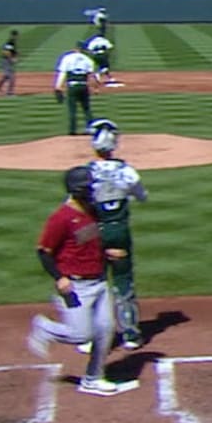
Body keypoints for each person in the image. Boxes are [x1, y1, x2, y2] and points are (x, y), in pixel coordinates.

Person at [25, 166, 140, 397]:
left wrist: (108, 253)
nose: (93, 190)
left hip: (98, 282)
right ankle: (44, 328)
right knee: (81, 335)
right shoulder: (61, 218)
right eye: (88, 187)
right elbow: (44, 251)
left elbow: (87, 244)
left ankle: (92, 379)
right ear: (77, 190)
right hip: (76, 286)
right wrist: (59, 278)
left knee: (105, 331)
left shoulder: (91, 212)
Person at [87, 119, 147, 350]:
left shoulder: (87, 173)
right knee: (123, 281)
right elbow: (142, 196)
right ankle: (130, 333)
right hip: (120, 230)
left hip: (94, 232)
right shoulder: (126, 171)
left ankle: (94, 337)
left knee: (94, 282)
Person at [53, 37, 99, 136]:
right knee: (86, 109)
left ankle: (72, 131)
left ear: (75, 48)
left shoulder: (67, 58)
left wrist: (58, 87)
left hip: (72, 86)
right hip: (83, 86)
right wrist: (95, 88)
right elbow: (92, 75)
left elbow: (62, 73)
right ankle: (90, 128)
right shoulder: (88, 60)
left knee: (72, 109)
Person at [0, 29, 19, 95]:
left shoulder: (12, 43)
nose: (16, 37)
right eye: (15, 36)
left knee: (6, 76)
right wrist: (11, 59)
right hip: (6, 61)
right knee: (12, 76)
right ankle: (10, 92)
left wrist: (15, 54)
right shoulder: (10, 43)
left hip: (6, 61)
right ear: (13, 36)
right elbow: (5, 52)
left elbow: (10, 51)